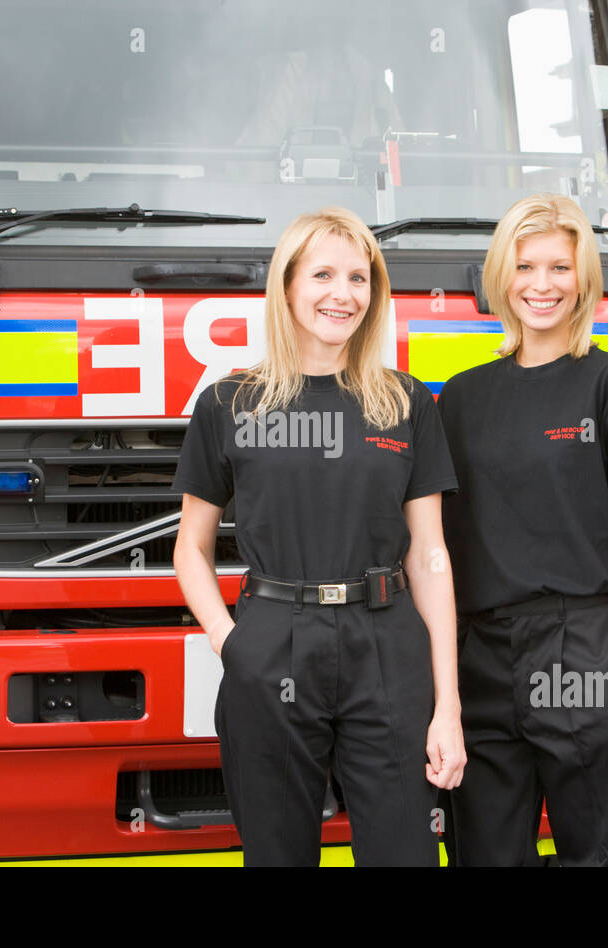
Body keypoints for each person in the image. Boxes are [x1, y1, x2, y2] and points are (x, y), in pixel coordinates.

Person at [172, 206, 465, 866]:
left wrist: (446, 705)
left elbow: (431, 555)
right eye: (324, 275)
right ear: (287, 286)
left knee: (406, 854)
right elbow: (190, 547)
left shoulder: (406, 402)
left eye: (359, 278)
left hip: (388, 646)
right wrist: (232, 642)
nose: (343, 294)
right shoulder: (229, 404)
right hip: (271, 643)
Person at [438, 193, 608, 866]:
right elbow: (439, 548)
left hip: (589, 647)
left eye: (559, 268)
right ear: (501, 277)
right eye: (525, 267)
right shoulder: (460, 397)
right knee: (484, 854)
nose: (541, 285)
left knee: (601, 854)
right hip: (482, 655)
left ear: (583, 281)